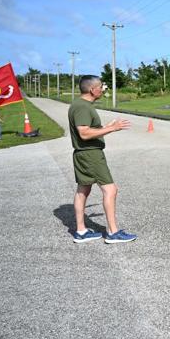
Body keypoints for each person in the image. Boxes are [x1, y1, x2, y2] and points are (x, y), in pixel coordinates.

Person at [68, 76, 136, 244]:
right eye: (100, 87)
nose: (103, 89)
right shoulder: (83, 107)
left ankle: (81, 231)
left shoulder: (80, 105)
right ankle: (113, 233)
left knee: (83, 190)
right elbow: (84, 133)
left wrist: (106, 127)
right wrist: (112, 128)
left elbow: (87, 130)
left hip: (83, 153)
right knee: (111, 190)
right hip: (91, 155)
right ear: (92, 90)